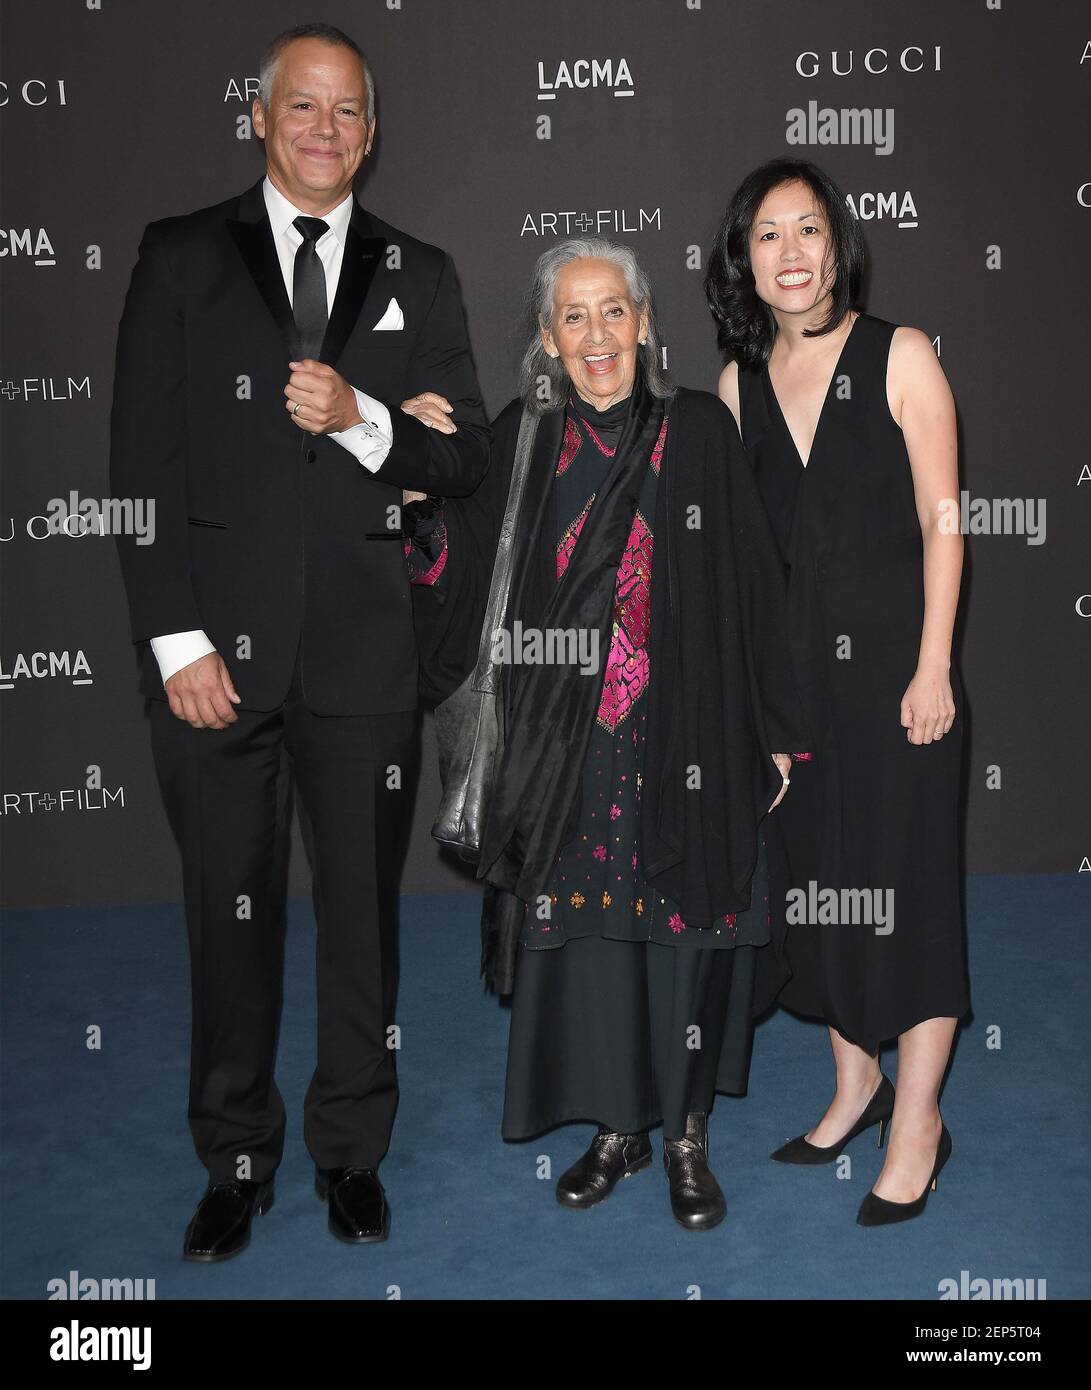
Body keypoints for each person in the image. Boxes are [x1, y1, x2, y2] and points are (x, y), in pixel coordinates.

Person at [109, 22, 489, 1260]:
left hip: (365, 662)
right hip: (214, 664)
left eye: (348, 111)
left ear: (371, 136)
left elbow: (461, 458)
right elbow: (142, 464)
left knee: (361, 923)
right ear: (259, 118)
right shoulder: (180, 256)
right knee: (229, 922)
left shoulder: (422, 271)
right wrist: (176, 643)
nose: (325, 129)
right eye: (303, 106)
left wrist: (364, 415)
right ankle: (234, 1155)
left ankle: (349, 1149)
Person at [406, 238, 805, 1230]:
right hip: (563, 746)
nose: (596, 336)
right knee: (590, 937)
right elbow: (463, 571)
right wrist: (419, 506)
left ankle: (683, 1134)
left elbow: (755, 581)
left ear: (644, 323)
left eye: (613, 311)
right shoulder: (521, 439)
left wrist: (777, 728)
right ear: (548, 337)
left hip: (688, 731)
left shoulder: (698, 428)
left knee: (685, 933)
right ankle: (618, 1126)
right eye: (573, 316)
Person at [707, 157, 970, 1226]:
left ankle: (918, 1123)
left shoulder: (899, 354)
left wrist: (933, 664)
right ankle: (855, 1086)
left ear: (836, 245)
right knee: (817, 889)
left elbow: (943, 521)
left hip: (900, 681)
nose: (790, 252)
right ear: (743, 258)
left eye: (807, 229)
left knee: (908, 893)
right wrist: (758, 712)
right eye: (767, 234)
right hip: (797, 694)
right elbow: (742, 566)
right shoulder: (736, 387)